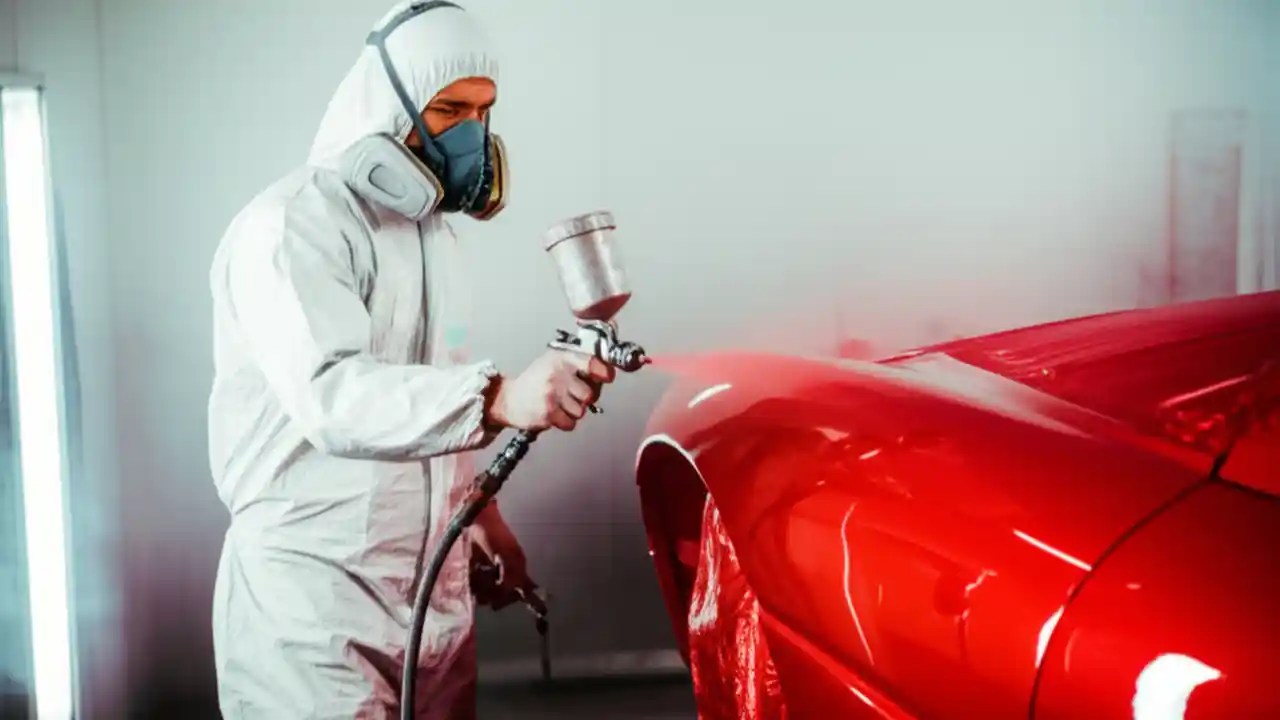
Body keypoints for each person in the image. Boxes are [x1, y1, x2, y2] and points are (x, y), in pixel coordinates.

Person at [206, 2, 613, 718]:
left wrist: (478, 508)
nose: (471, 135)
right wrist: (499, 399)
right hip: (312, 613)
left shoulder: (430, 238)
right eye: (449, 109)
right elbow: (334, 396)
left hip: (430, 602)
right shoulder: (291, 227)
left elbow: (417, 398)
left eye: (483, 112)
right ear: (386, 110)